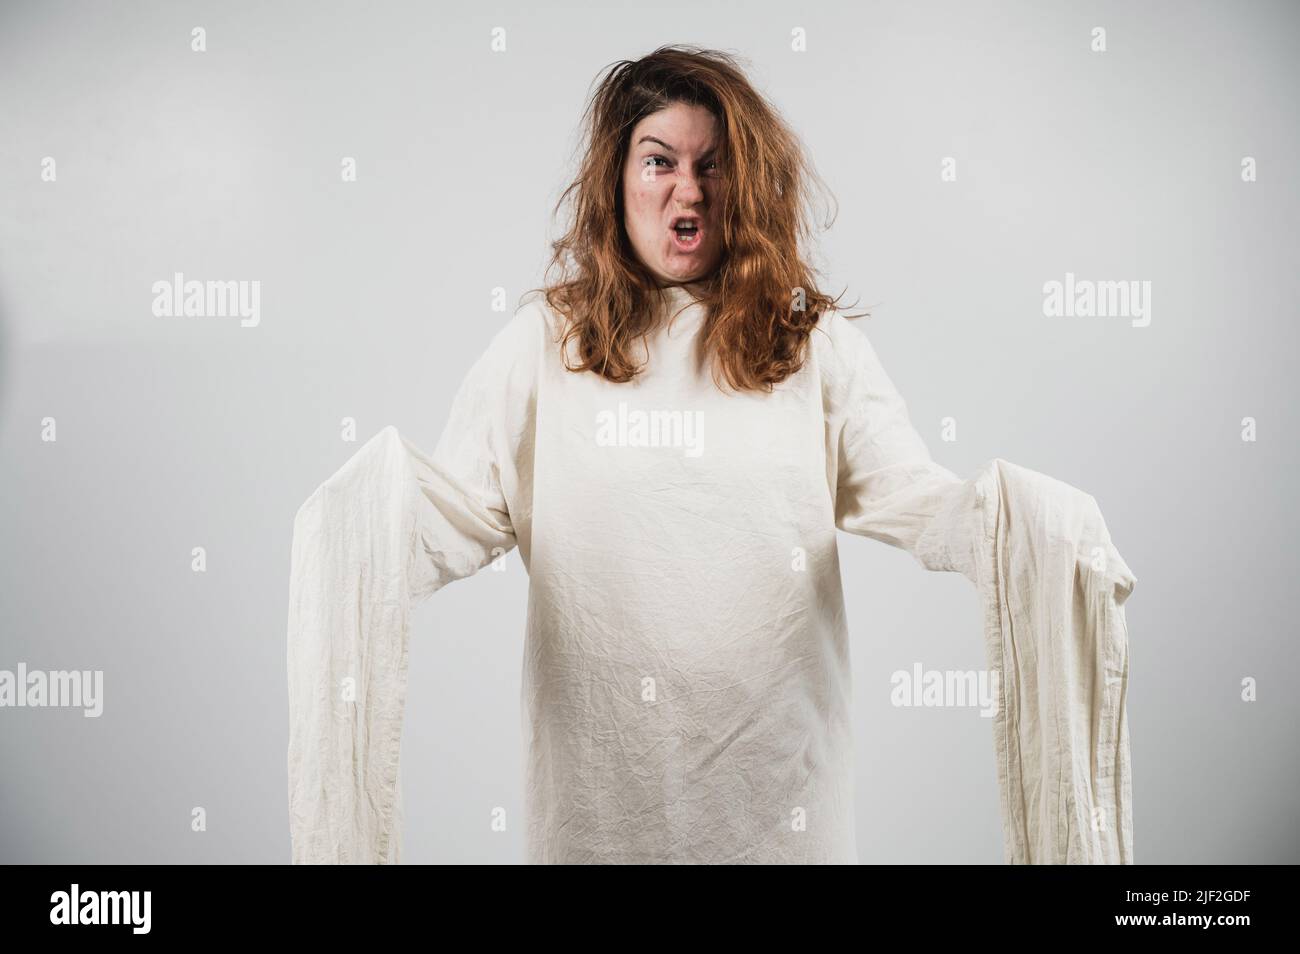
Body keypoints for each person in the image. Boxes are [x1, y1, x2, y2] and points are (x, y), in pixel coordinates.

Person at [287, 45, 1137, 865]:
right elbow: (457, 515)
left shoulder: (810, 343)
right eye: (659, 161)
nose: (687, 190)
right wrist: (365, 515)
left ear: (746, 183)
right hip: (597, 817)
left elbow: (914, 499)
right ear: (616, 183)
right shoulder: (546, 345)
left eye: (714, 164)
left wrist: (1022, 523)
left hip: (779, 809)